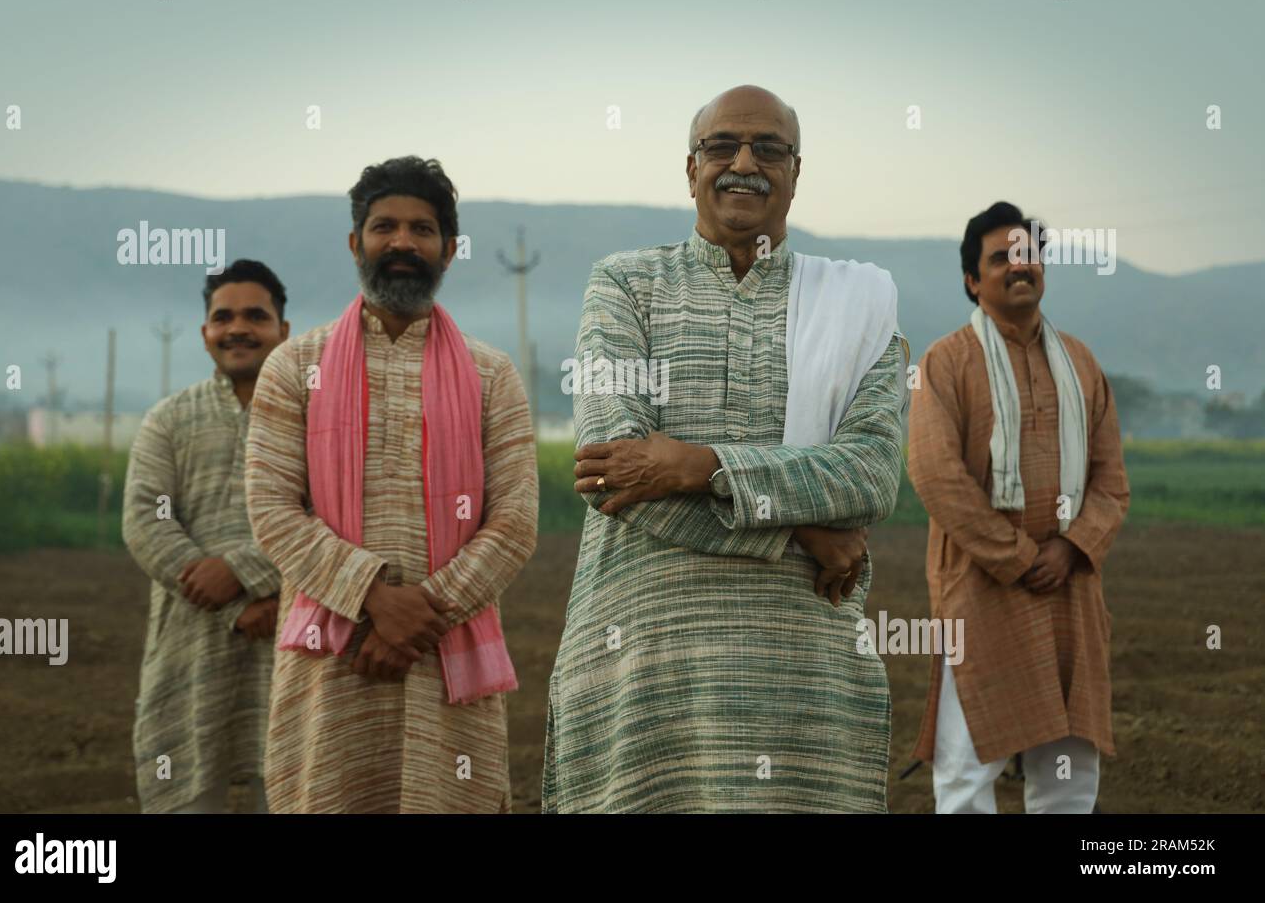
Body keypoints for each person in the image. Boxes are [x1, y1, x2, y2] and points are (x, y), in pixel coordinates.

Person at [542, 85, 907, 812]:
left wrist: (699, 464)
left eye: (769, 149)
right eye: (722, 147)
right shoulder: (626, 285)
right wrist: (802, 529)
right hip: (642, 662)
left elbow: (869, 476)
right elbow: (612, 475)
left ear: (796, 173)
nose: (745, 163)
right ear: (691, 169)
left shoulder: (858, 306)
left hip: (800, 667)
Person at [244, 157, 538, 813]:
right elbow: (273, 510)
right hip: (332, 659)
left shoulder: (492, 376)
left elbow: (515, 522)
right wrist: (373, 596)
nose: (402, 242)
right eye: (384, 227)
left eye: (422, 229)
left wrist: (416, 618)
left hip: (444, 655)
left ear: (449, 250)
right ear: (356, 243)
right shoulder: (297, 366)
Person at [908, 201, 1129, 813]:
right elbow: (934, 473)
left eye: (1028, 254)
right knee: (967, 768)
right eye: (1000, 258)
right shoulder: (945, 363)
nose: (1017, 266)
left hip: (1069, 589)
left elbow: (1111, 483)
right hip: (981, 589)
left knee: (1069, 769)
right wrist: (1018, 556)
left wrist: (1070, 548)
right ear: (973, 282)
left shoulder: (1082, 364)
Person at [123, 259, 290, 813]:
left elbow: (329, 516)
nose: (238, 328)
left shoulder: (315, 416)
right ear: (204, 333)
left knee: (296, 786)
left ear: (283, 331)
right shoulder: (168, 420)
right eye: (223, 317)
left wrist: (245, 572)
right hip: (189, 642)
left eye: (255, 316)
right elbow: (146, 519)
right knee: (186, 791)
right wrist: (233, 606)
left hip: (293, 635)